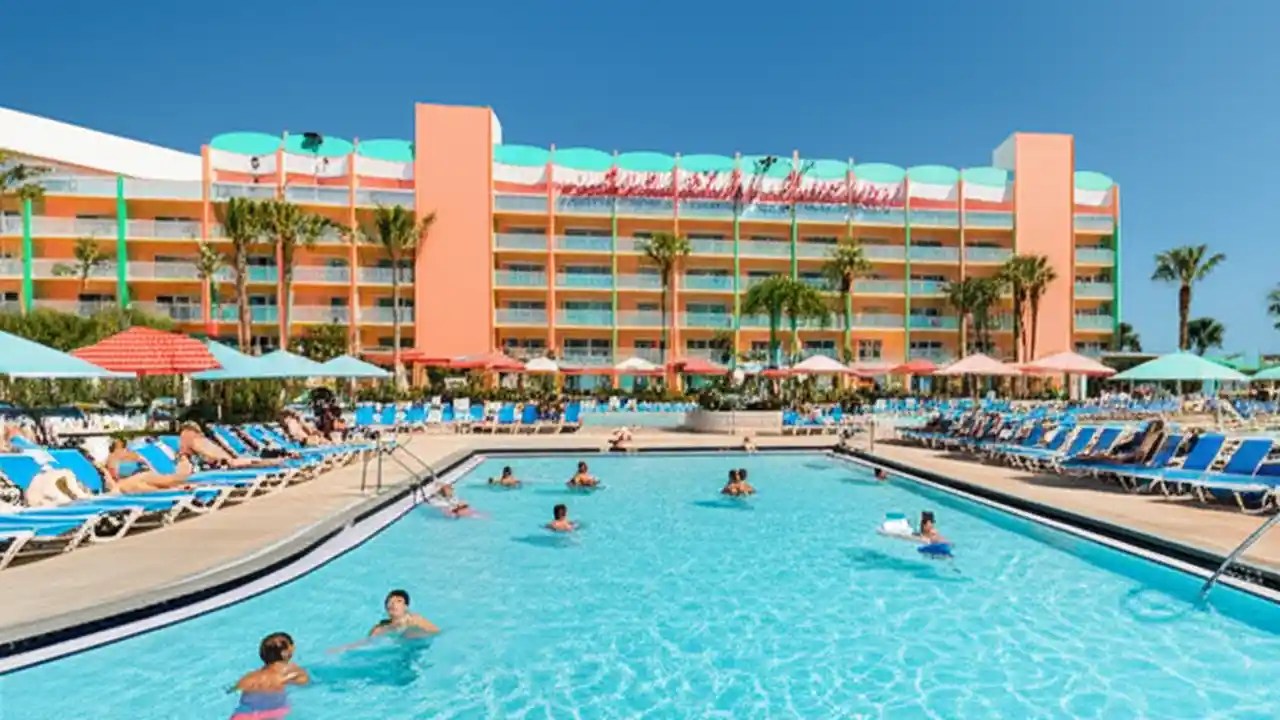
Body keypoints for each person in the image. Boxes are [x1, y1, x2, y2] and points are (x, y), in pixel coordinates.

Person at [229, 632, 309, 720]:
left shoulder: (250, 677)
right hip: (274, 713)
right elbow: (305, 683)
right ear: (286, 653)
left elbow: (233, 690)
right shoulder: (293, 673)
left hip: (243, 715)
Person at [103, 436, 192, 493]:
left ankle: (175, 488)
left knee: (144, 480)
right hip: (121, 486)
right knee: (143, 479)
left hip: (124, 484)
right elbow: (112, 481)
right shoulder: (113, 458)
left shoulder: (112, 458)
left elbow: (144, 461)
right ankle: (176, 488)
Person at [179, 422, 279, 469]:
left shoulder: (197, 439)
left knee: (247, 461)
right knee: (245, 462)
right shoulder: (191, 439)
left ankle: (270, 461)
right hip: (221, 464)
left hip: (224, 461)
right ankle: (271, 461)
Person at [370, 589, 440, 638]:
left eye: (399, 601)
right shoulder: (380, 628)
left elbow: (436, 632)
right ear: (386, 608)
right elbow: (366, 643)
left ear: (406, 607)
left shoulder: (415, 620)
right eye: (390, 602)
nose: (393, 604)